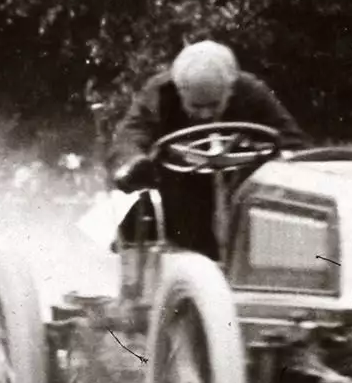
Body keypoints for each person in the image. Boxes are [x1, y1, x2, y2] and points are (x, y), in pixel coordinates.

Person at [110, 39, 302, 257]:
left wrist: (286, 159)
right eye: (195, 106)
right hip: (178, 193)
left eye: (214, 105)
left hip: (239, 190)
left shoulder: (251, 92)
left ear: (230, 88)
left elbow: (291, 140)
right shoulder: (160, 92)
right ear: (179, 90)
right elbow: (131, 135)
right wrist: (134, 161)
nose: (205, 115)